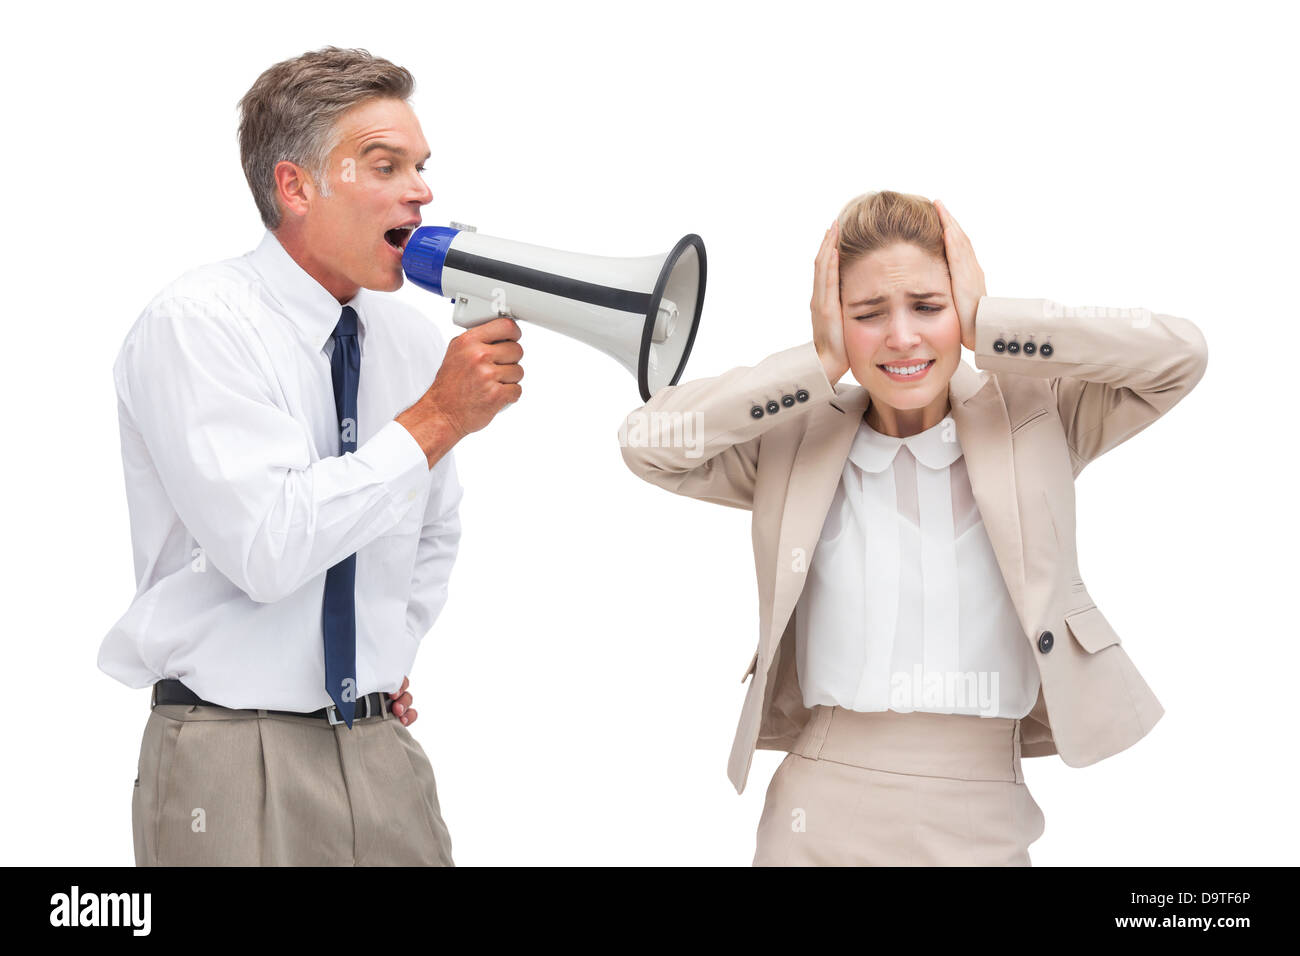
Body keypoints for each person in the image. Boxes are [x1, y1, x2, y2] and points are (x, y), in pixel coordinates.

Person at [618, 190, 1208, 865]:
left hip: (985, 809)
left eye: (928, 307)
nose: (901, 337)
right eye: (868, 314)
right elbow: (648, 442)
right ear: (837, 321)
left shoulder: (1036, 418)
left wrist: (993, 322)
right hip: (817, 810)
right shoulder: (792, 442)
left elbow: (1179, 357)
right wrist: (814, 364)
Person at [99, 47, 525, 866]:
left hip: (375, 745)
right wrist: (438, 417)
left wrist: (382, 656)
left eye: (422, 166)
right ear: (296, 187)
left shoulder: (402, 335)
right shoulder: (197, 325)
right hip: (231, 754)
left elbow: (433, 529)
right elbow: (268, 548)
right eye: (385, 165)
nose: (423, 190)